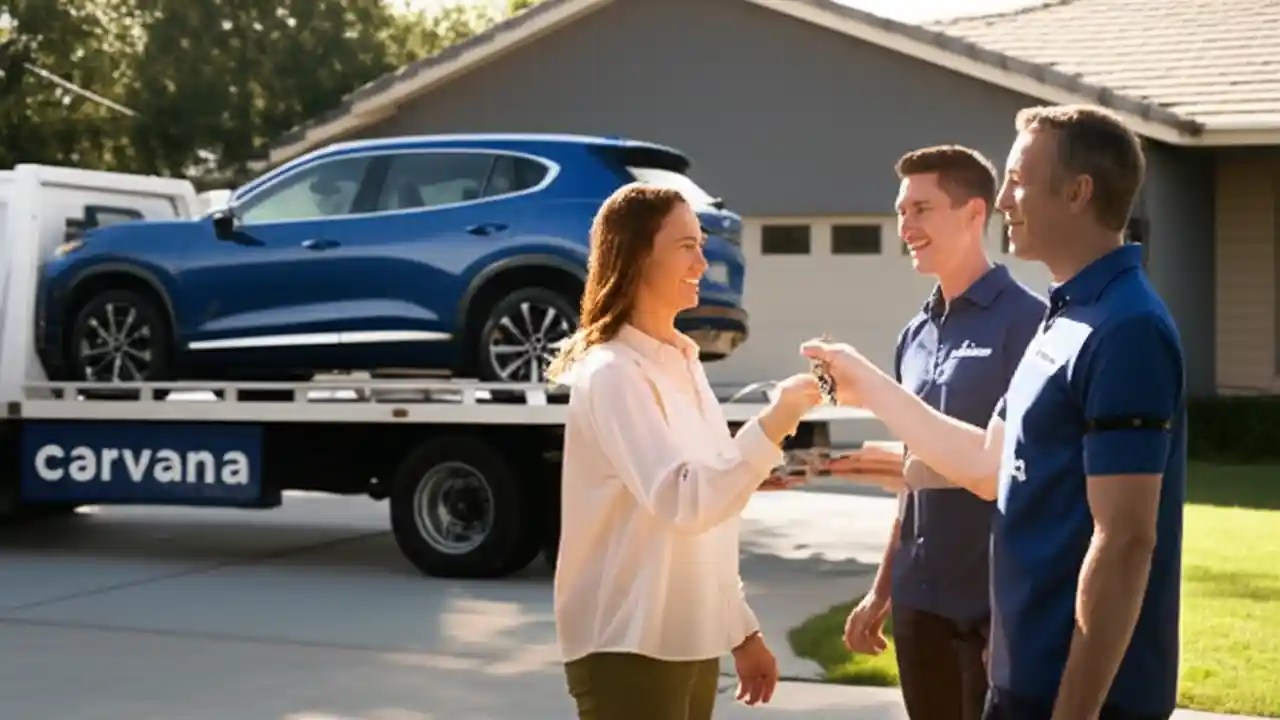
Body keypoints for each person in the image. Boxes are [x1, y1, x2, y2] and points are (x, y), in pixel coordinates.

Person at [802, 104, 1186, 720]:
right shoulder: (1062, 317)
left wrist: (1075, 711)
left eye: (1017, 179)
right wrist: (867, 388)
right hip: (1021, 678)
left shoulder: (1128, 327)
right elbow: (985, 464)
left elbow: (1126, 541)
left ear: (1077, 192)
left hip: (1084, 698)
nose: (1003, 198)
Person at [546, 182, 822, 720]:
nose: (703, 259)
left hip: (690, 640)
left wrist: (739, 629)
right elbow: (686, 500)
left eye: (701, 243)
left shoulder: (683, 360)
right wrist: (775, 422)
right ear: (636, 254)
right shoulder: (614, 373)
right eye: (686, 245)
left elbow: (713, 514)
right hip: (629, 644)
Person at [830, 145, 1045, 720]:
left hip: (990, 605)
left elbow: (1030, 482)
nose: (906, 226)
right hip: (919, 598)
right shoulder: (913, 334)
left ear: (975, 213)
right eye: (901, 211)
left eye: (921, 209)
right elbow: (911, 475)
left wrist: (1014, 616)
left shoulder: (1029, 324)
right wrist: (883, 588)